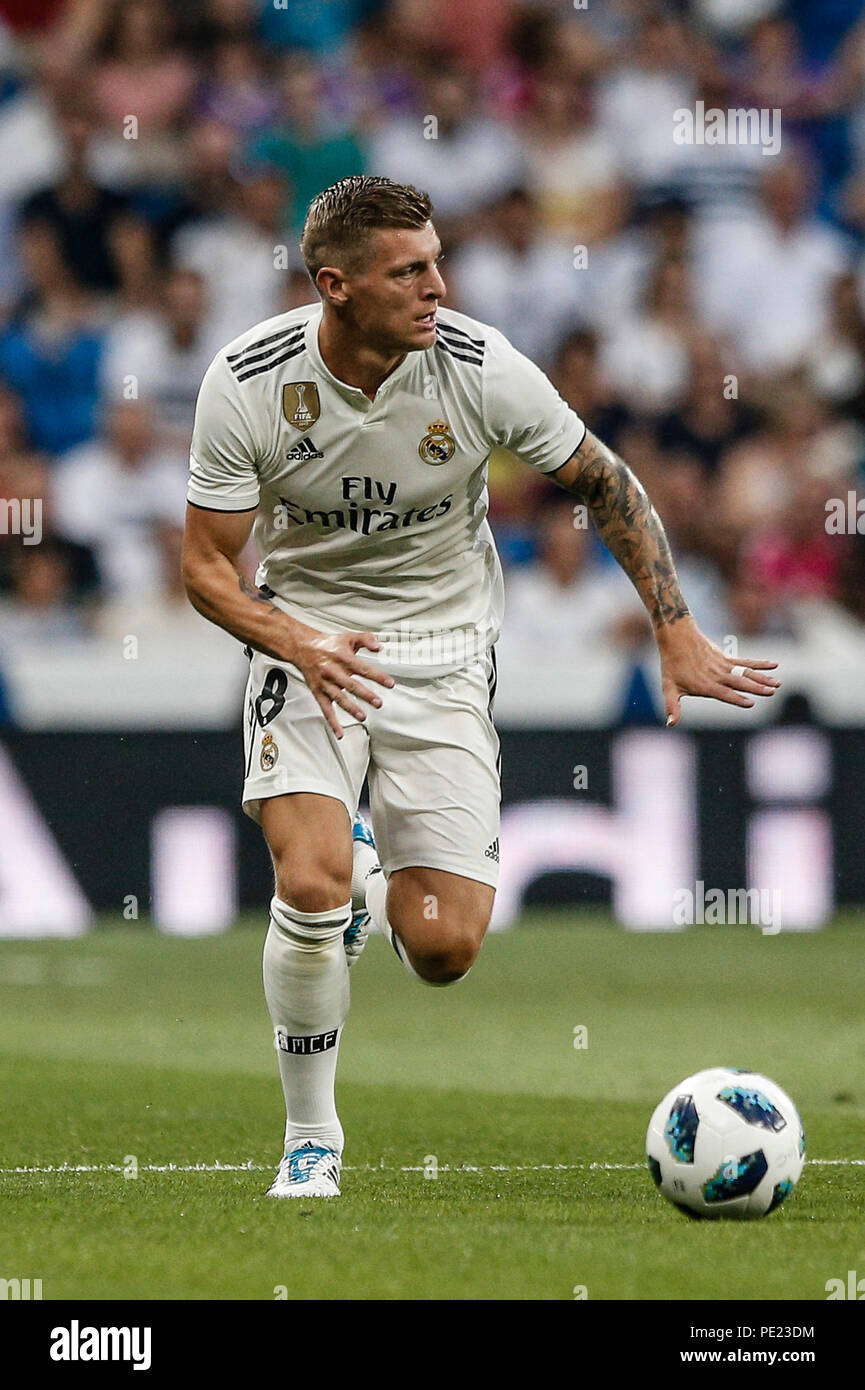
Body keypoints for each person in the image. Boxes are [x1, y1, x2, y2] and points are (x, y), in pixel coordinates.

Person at [181, 175, 779, 1199]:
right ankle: (310, 1137)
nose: (437, 287)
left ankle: (375, 872)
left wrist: (673, 626)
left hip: (448, 651)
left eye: (438, 261)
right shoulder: (245, 382)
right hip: (306, 643)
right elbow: (201, 567)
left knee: (445, 948)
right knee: (309, 881)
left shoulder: (478, 365)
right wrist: (295, 641)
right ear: (335, 286)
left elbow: (604, 480)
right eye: (408, 270)